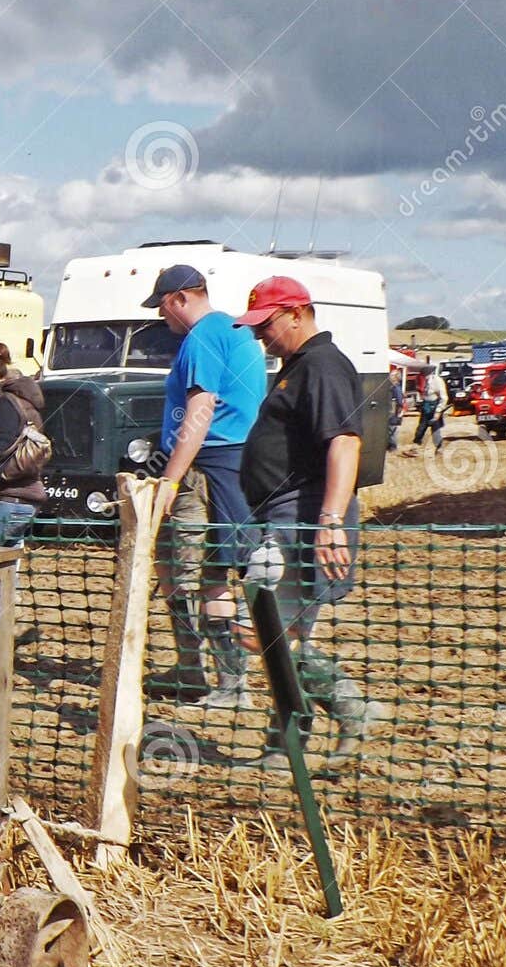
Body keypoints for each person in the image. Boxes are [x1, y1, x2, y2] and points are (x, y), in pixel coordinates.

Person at [234, 276, 386, 774]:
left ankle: (332, 719)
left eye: (267, 324)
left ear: (298, 313)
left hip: (305, 518)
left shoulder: (322, 365)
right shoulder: (297, 366)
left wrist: (329, 521)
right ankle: (298, 736)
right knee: (275, 629)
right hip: (286, 518)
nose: (261, 336)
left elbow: (344, 441)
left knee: (267, 628)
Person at [141, 264, 267, 709]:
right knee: (200, 573)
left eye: (161, 308)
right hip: (232, 464)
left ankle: (224, 683)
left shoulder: (202, 337)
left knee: (191, 574)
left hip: (206, 469)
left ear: (178, 298)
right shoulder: (232, 330)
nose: (163, 319)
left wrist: (171, 480)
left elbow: (200, 410)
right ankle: (196, 671)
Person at [0, 342, 47, 547]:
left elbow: (2, 447)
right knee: (7, 571)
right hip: (26, 498)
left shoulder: (3, 401)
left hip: (8, 499)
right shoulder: (23, 398)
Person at [403, 366, 449, 456]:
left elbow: (444, 397)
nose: (424, 377)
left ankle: (439, 448)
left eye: (426, 375)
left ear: (431, 374)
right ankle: (414, 449)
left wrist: (438, 411)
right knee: (420, 428)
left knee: (435, 430)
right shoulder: (423, 380)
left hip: (435, 407)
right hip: (425, 406)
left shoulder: (437, 381)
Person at [387, 367, 405, 451]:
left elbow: (400, 402)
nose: (390, 376)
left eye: (392, 375)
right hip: (391, 410)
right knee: (390, 428)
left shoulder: (396, 388)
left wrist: (398, 412)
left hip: (394, 411)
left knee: (392, 429)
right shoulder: (392, 387)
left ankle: (393, 446)